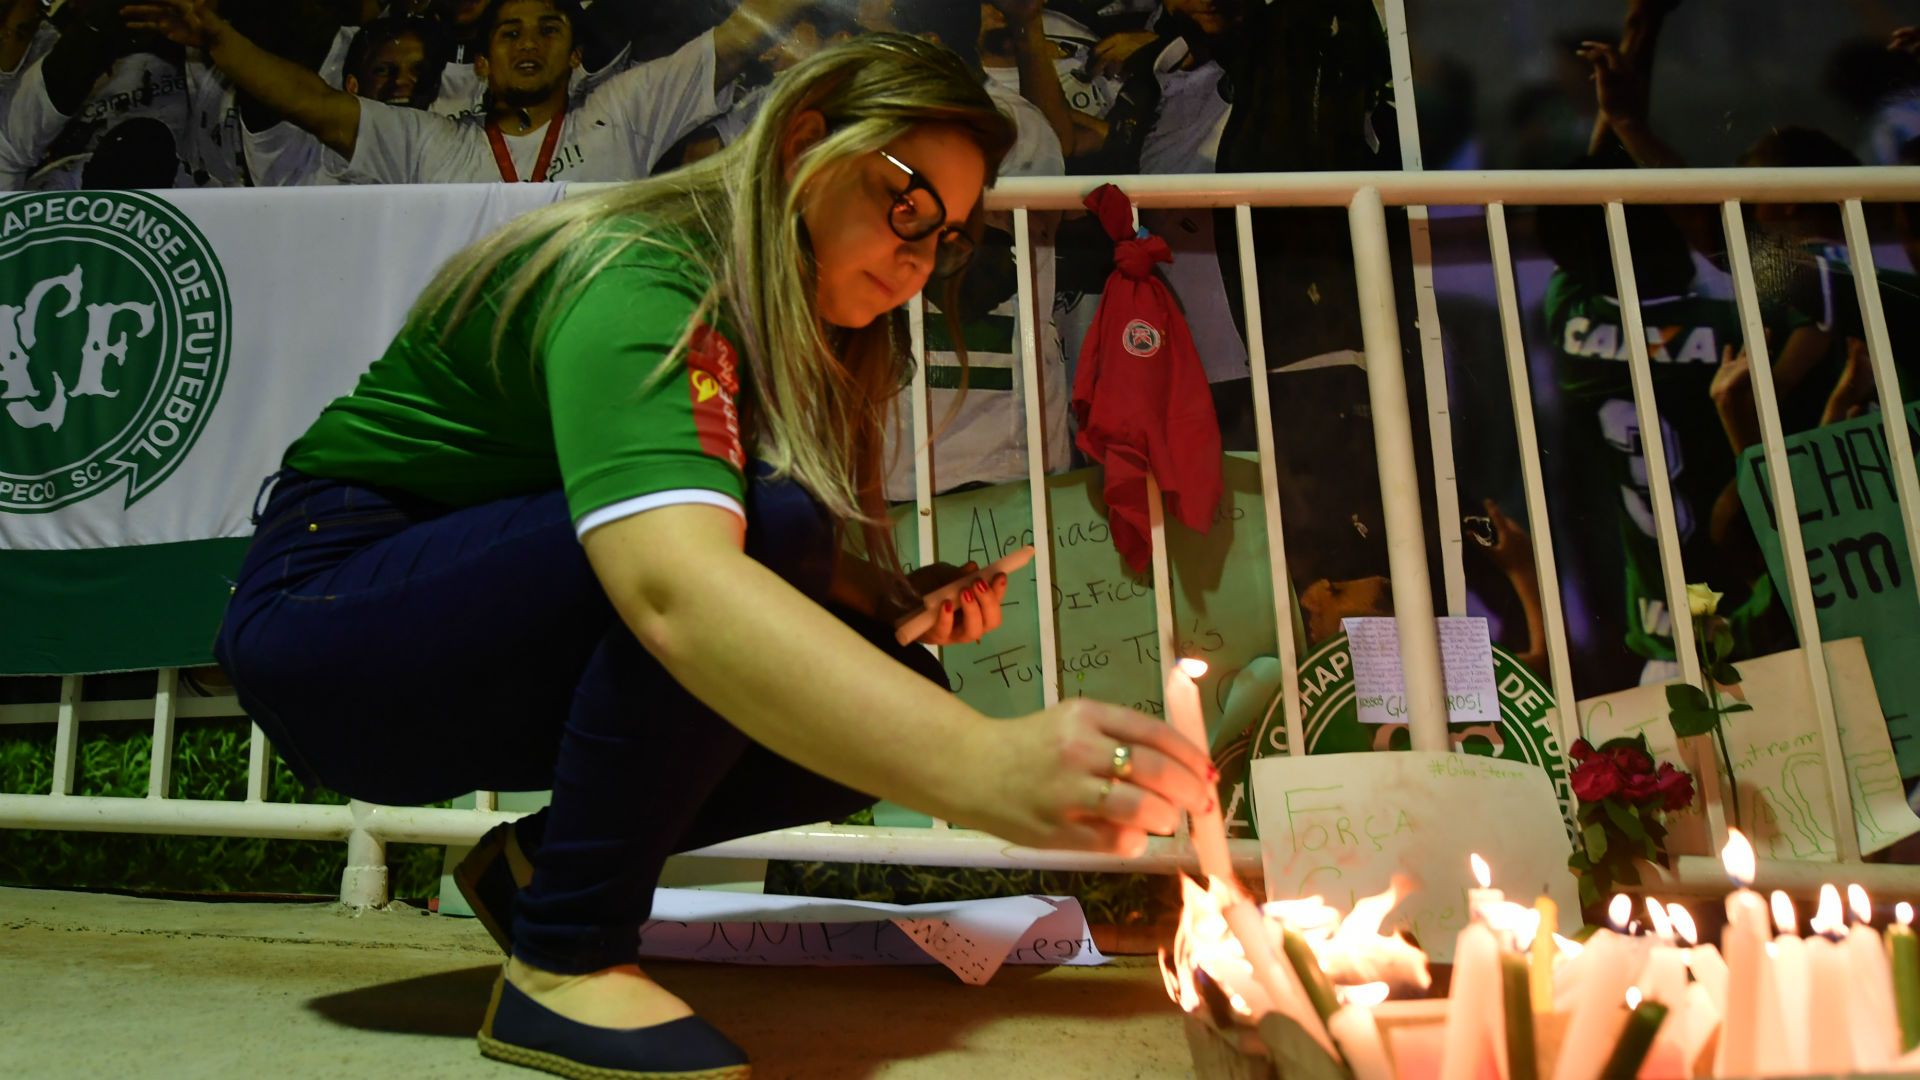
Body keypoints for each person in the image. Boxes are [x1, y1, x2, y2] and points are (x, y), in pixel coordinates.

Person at [194, 31, 1208, 1077]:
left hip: (458, 630)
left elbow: (766, 580)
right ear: (803, 142)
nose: (919, 254)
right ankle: (565, 958)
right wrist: (985, 765)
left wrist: (893, 600)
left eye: (951, 236)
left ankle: (546, 871)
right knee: (768, 539)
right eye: (907, 199)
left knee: (882, 656)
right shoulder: (651, 271)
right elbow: (676, 588)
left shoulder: (811, 331)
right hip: (328, 621)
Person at [125, 0, 805, 184]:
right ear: (479, 62)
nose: (529, 43)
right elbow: (313, 102)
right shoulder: (428, 142)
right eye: (509, 33)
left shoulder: (623, 108)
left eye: (547, 29)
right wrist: (217, 39)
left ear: (574, 56)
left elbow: (739, 36)